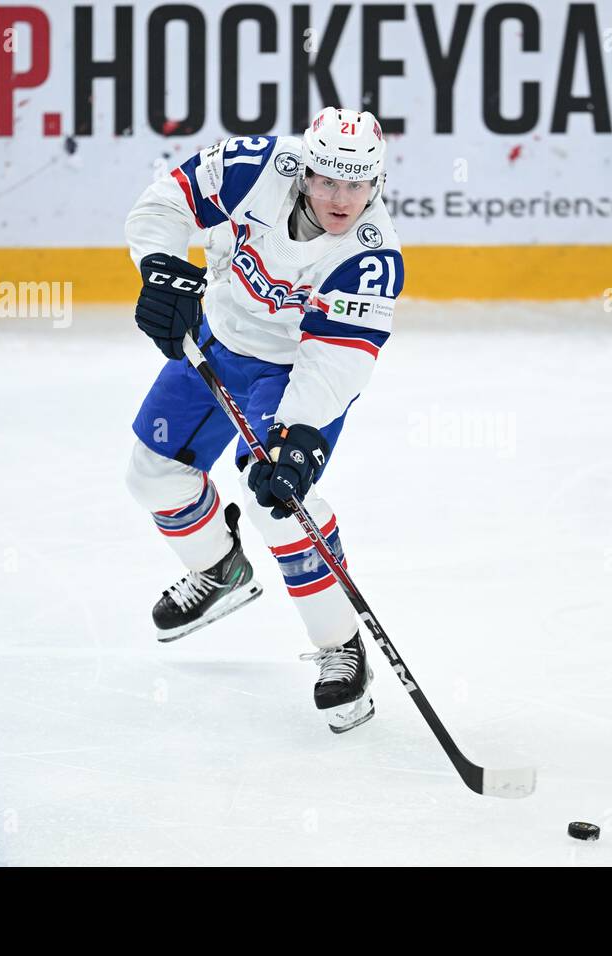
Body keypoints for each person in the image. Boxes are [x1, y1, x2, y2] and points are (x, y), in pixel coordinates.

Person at [123, 107, 403, 734]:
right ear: (305, 171)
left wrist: (297, 439)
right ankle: (219, 568)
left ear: (375, 184)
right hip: (218, 339)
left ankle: (341, 646)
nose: (341, 198)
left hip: (291, 372)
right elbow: (164, 202)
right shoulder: (254, 165)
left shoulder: (372, 255)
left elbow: (334, 362)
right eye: (329, 180)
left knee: (278, 502)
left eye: (356, 184)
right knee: (151, 474)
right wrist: (159, 267)